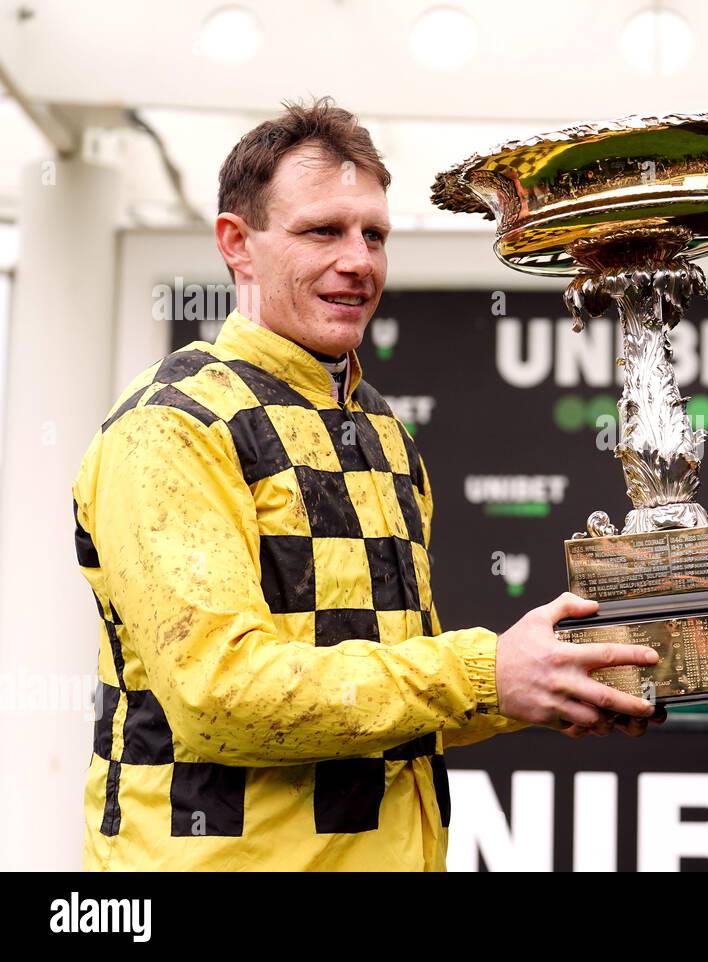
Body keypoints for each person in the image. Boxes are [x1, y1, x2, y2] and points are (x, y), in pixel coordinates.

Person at [73, 98, 661, 871]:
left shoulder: (382, 431)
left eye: (374, 234)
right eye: (323, 230)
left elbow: (378, 698)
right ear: (236, 244)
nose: (360, 260)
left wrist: (537, 687)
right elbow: (219, 695)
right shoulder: (173, 425)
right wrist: (484, 671)